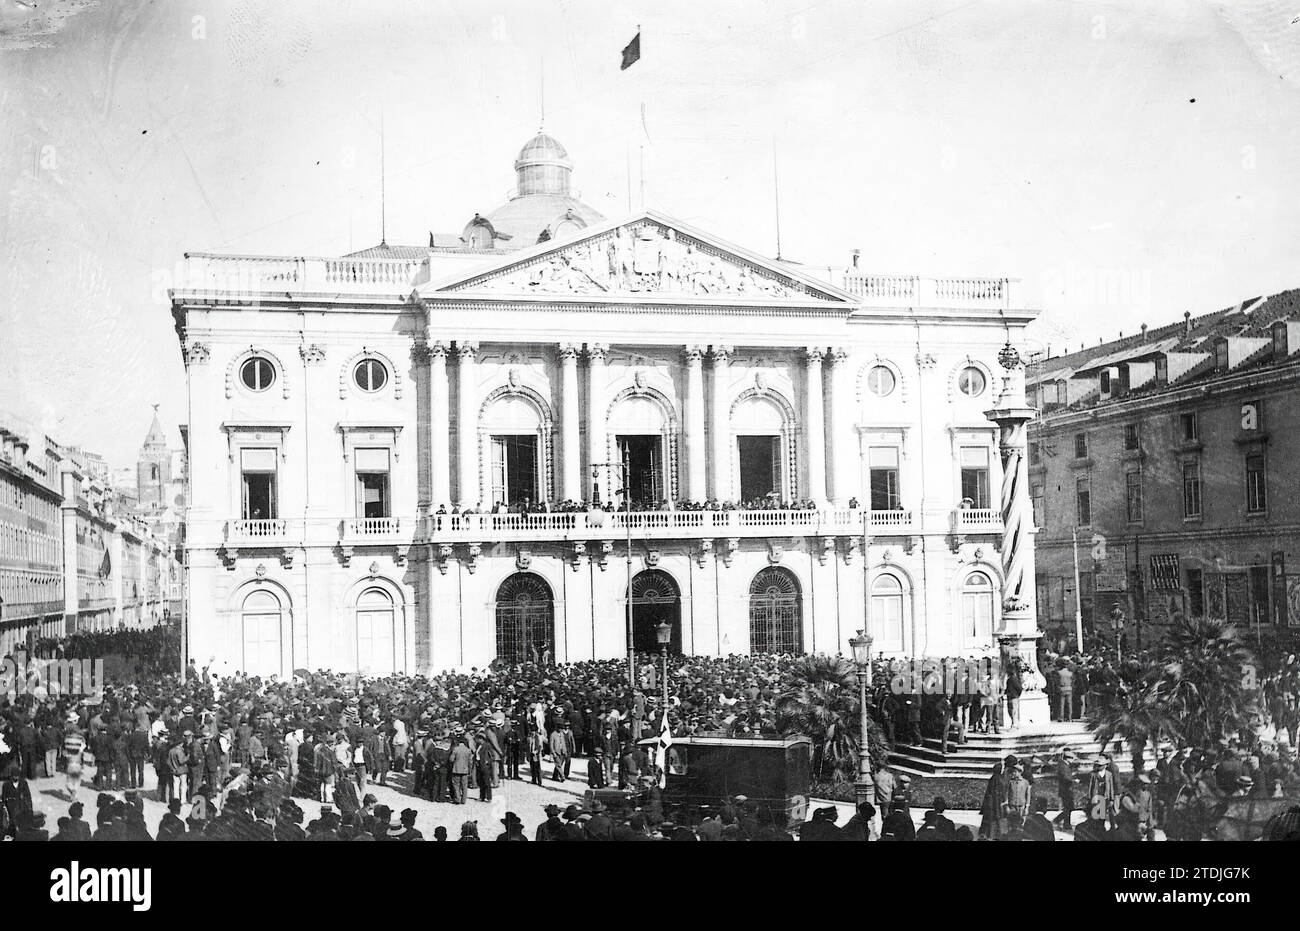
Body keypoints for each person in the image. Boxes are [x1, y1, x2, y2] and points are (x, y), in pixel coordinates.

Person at [1053, 749, 1078, 831]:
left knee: (1069, 808)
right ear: (1068, 758)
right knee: (1068, 808)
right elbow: (1065, 778)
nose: (1072, 761)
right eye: (1071, 758)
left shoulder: (1064, 765)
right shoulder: (1063, 766)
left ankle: (1061, 821)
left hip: (1066, 790)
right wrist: (1074, 780)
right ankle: (1065, 824)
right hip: (1066, 790)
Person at [448, 736, 472, 804]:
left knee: (456, 785)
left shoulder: (456, 749)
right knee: (464, 785)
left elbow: (451, 759)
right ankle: (464, 800)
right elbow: (470, 761)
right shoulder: (468, 750)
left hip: (456, 769)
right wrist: (470, 769)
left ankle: (457, 798)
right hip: (465, 770)